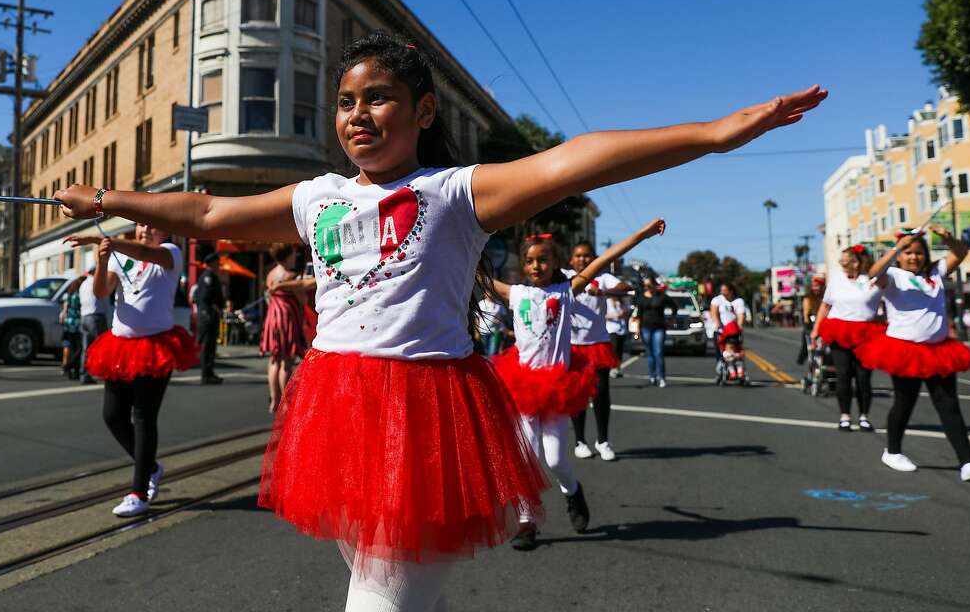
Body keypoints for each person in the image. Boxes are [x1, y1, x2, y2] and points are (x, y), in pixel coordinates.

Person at [55, 30, 825, 610]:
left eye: (379, 98)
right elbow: (208, 208)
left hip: (422, 415)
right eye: (347, 102)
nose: (359, 115)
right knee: (380, 580)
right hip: (336, 410)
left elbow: (582, 158)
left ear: (423, 111)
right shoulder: (319, 196)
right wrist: (102, 201)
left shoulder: (458, 193)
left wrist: (719, 133)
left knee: (380, 599)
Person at [492, 220, 665, 550]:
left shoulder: (566, 291)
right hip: (523, 387)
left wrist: (641, 234)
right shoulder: (516, 294)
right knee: (527, 457)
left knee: (556, 460)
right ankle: (527, 522)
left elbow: (606, 258)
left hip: (557, 387)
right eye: (529, 261)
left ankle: (573, 493)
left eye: (542, 259)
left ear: (555, 262)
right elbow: (475, 274)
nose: (535, 266)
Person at [64, 225, 199, 516]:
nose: (145, 229)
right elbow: (102, 292)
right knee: (112, 415)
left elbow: (145, 252)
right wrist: (101, 258)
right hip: (120, 345)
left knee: (143, 417)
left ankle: (139, 492)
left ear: (164, 232)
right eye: (140, 223)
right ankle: (150, 467)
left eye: (151, 224)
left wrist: (105, 241)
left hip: (155, 346)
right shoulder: (120, 255)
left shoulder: (170, 253)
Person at [855, 227, 970, 481]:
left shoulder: (936, 272)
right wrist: (897, 247)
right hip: (905, 349)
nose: (913, 257)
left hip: (939, 349)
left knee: (949, 406)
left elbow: (961, 253)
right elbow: (873, 273)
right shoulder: (893, 274)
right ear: (900, 255)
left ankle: (967, 463)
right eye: (908, 253)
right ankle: (892, 451)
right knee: (904, 403)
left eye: (918, 253)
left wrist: (948, 239)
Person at [564, 241, 632, 462]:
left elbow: (625, 288)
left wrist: (602, 291)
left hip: (598, 343)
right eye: (578, 255)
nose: (582, 259)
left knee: (601, 392)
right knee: (577, 393)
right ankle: (580, 441)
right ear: (571, 259)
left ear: (594, 259)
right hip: (572, 344)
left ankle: (603, 441)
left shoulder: (602, 277)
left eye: (587, 256)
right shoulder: (564, 276)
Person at [812, 245, 883, 431]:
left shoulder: (873, 280)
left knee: (863, 377)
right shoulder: (836, 281)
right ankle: (845, 416)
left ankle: (864, 416)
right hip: (839, 330)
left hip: (866, 333)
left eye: (847, 260)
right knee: (842, 375)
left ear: (858, 262)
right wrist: (815, 330)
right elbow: (825, 307)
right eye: (841, 261)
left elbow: (889, 303)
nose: (843, 264)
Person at [260, 244, 316, 414]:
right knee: (287, 360)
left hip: (272, 316)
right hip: (287, 316)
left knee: (274, 359)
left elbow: (268, 295)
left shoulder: (270, 274)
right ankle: (285, 401)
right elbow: (302, 299)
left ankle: (273, 398)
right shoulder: (292, 276)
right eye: (293, 253)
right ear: (288, 256)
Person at [194, 247, 226, 385]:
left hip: (208, 314)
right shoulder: (208, 276)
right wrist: (215, 307)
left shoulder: (209, 276)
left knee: (211, 345)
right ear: (211, 263)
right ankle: (206, 374)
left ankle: (209, 372)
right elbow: (205, 297)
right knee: (207, 345)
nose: (219, 265)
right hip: (207, 315)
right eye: (217, 263)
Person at [637, 278, 677, 387]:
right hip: (646, 327)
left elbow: (674, 306)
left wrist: (671, 319)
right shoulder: (641, 297)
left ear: (654, 285)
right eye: (645, 286)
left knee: (658, 352)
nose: (647, 288)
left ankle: (662, 377)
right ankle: (652, 376)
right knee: (650, 354)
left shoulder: (662, 296)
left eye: (649, 285)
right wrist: (637, 329)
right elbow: (639, 314)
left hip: (659, 328)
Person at [78, 265, 110, 385]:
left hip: (84, 317)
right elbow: (105, 299)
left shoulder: (83, 284)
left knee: (86, 349)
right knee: (102, 347)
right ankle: (104, 373)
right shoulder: (98, 282)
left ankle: (84, 375)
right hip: (96, 317)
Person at [712, 283, 748, 382]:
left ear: (731, 291)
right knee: (722, 353)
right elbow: (714, 312)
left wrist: (739, 328)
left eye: (725, 290)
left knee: (736, 351)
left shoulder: (738, 301)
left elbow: (741, 315)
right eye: (721, 290)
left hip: (734, 332)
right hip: (721, 331)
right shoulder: (717, 300)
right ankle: (724, 371)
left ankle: (738, 372)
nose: (723, 292)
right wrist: (718, 323)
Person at [59, 275, 85, 380]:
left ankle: (69, 368)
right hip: (77, 323)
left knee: (70, 346)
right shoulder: (80, 295)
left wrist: (63, 317)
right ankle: (70, 365)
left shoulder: (68, 295)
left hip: (68, 323)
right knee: (79, 348)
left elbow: (65, 309)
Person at [605, 293, 631, 378]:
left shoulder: (622, 303)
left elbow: (627, 314)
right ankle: (613, 368)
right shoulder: (608, 302)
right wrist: (615, 316)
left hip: (622, 329)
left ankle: (618, 368)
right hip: (612, 329)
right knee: (614, 349)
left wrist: (624, 314)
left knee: (619, 351)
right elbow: (603, 315)